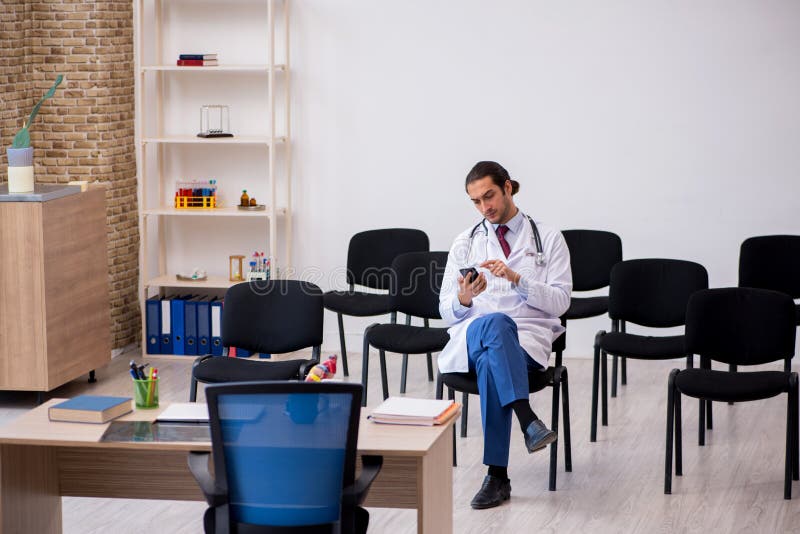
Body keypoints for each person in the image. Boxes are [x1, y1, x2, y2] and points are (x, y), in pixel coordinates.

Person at [438, 160, 572, 509]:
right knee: (495, 324)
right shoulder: (465, 242)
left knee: (491, 360)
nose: (485, 207)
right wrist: (465, 298)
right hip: (474, 332)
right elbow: (445, 308)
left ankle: (497, 477)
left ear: (508, 187)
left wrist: (517, 280)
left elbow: (560, 302)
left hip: (526, 340)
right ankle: (527, 419)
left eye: (490, 196)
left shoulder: (549, 238)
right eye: (476, 202)